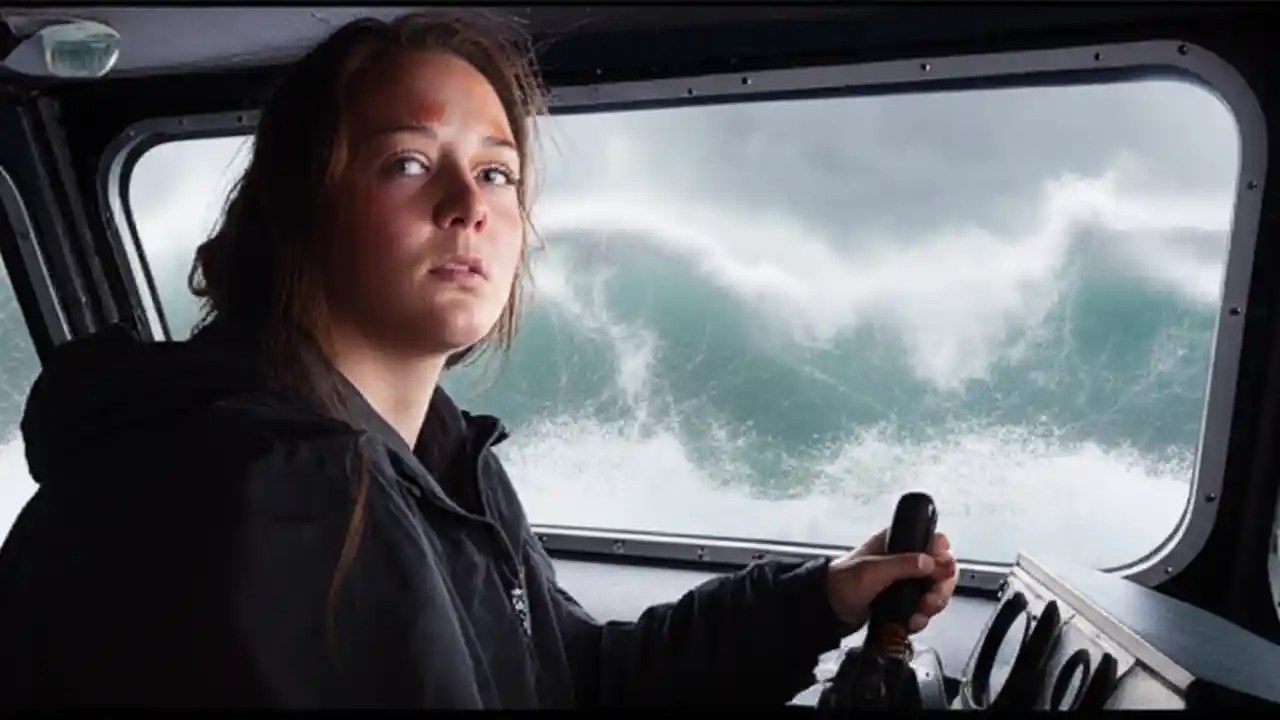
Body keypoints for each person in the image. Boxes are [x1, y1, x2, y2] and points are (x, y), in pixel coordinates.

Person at [0, 12, 957, 708]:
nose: (471, 205)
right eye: (409, 163)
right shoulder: (277, 491)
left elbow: (575, 679)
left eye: (496, 171)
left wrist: (823, 598)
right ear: (301, 212)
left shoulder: (435, 461)